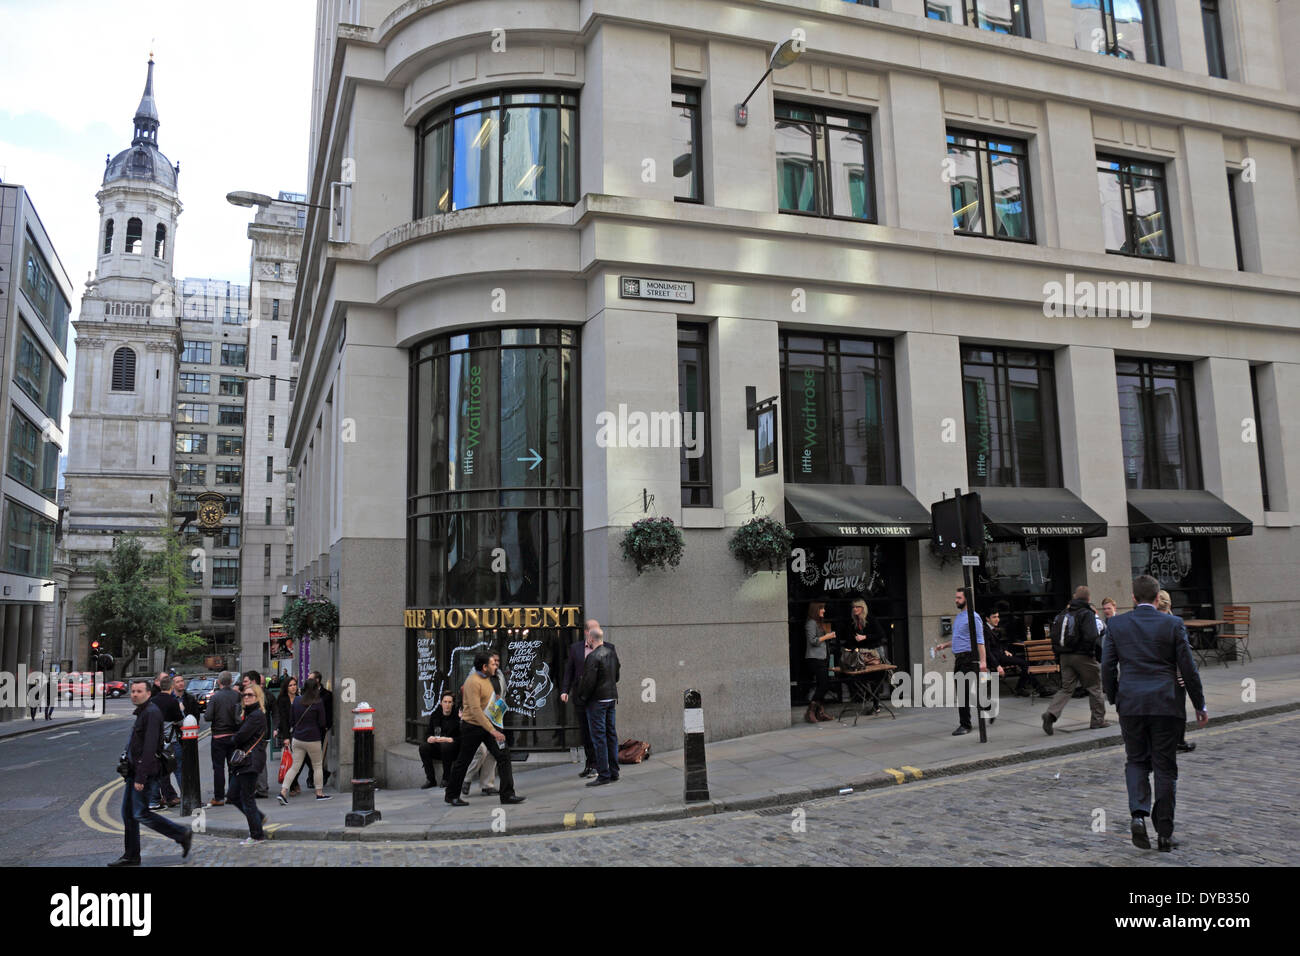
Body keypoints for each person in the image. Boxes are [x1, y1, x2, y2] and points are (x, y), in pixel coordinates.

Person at [1102, 574, 1208, 852]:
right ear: (1158, 597)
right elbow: (1188, 668)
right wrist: (1199, 704)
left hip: (1131, 704)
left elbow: (1107, 667)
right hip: (1166, 703)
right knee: (1165, 767)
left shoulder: (1116, 624)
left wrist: (1115, 697)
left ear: (1134, 598)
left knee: (1136, 761)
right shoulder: (1173, 623)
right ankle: (1164, 834)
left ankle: (1138, 814)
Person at [109, 678, 192, 866]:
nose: (135, 694)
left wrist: (141, 776)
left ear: (148, 693)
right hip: (134, 772)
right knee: (128, 814)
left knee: (140, 813)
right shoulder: (143, 712)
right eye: (133, 691)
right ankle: (131, 856)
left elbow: (149, 748)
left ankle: (181, 834)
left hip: (143, 773)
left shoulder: (152, 713)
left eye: (139, 691)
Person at [443, 652, 525, 807]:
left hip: (487, 726)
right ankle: (452, 795)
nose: (496, 666)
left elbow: (489, 702)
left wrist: (497, 714)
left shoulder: (488, 679)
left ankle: (507, 794)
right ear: (484, 667)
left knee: (503, 755)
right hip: (472, 727)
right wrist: (492, 730)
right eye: (492, 664)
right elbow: (475, 710)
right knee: (463, 761)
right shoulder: (472, 682)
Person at [1042, 586, 1109, 734]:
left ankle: (1051, 714)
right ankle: (1098, 721)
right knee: (1095, 687)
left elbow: (1053, 636)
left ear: (1074, 597)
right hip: (1083, 656)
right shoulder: (1087, 613)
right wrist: (1089, 652)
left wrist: (1058, 655)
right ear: (1088, 599)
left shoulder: (1063, 613)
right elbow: (1091, 636)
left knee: (1066, 689)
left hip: (1064, 657)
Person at [934, 587, 989, 735]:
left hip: (969, 658)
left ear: (967, 599)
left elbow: (980, 641)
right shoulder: (959, 617)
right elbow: (960, 638)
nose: (956, 600)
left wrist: (983, 661)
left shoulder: (973, 617)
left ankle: (965, 725)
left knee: (964, 693)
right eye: (956, 597)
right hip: (959, 659)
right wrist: (944, 645)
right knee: (966, 691)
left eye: (959, 598)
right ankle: (986, 705)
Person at [576, 625, 621, 786]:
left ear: (591, 639)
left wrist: (582, 697)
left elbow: (588, 682)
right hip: (610, 698)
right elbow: (617, 675)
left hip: (597, 701)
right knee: (611, 735)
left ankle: (603, 774)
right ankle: (614, 771)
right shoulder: (611, 653)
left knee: (599, 738)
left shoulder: (593, 657)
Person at [1155, 590, 1196, 754]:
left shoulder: (1149, 622)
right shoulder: (1175, 622)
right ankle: (1178, 740)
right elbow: (1183, 655)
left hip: (1155, 674)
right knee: (1178, 710)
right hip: (1174, 674)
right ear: (1169, 604)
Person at [278, 677, 331, 804]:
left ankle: (283, 792)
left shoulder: (296, 700)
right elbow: (322, 722)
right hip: (313, 738)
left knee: (294, 767)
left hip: (297, 738)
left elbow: (291, 720)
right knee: (317, 766)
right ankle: (319, 793)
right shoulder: (318, 702)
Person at [230, 683, 269, 845]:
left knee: (247, 799)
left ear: (258, 697)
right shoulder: (250, 713)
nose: (246, 697)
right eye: (244, 695)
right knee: (232, 795)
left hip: (250, 761)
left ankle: (257, 835)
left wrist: (232, 739)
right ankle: (258, 818)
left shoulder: (256, 716)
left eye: (250, 695)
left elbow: (240, 737)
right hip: (246, 761)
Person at [985, 604, 1052, 698]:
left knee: (1025, 663)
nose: (997, 619)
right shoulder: (985, 630)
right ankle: (1032, 688)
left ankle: (1033, 688)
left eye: (998, 617)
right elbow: (987, 651)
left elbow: (996, 644)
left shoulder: (991, 629)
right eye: (994, 617)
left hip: (1000, 655)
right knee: (1025, 663)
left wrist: (1004, 650)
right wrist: (997, 666)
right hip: (995, 659)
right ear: (987, 619)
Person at [459, 661, 506, 796]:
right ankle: (466, 779)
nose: (495, 665)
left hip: (493, 718)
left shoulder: (499, 676)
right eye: (492, 662)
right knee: (481, 751)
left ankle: (487, 785)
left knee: (493, 752)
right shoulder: (474, 680)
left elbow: (502, 694)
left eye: (497, 662)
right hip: (476, 723)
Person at [561, 619, 601, 777]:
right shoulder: (575, 648)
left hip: (599, 697)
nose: (596, 632)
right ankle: (590, 764)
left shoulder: (607, 648)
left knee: (598, 732)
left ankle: (600, 765)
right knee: (585, 732)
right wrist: (565, 690)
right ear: (586, 632)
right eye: (593, 629)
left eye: (598, 629)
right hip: (580, 697)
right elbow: (569, 671)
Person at [148, 675, 183, 809]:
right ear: (171, 687)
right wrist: (181, 711)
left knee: (159, 771)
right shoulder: (173, 702)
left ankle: (155, 800)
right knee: (179, 769)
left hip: (156, 743)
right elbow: (181, 722)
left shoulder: (152, 701)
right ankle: (187, 796)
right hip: (171, 741)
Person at [205, 671, 239, 807]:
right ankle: (232, 795)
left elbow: (207, 716)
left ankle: (219, 797)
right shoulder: (237, 696)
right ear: (231, 682)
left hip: (219, 736)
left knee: (218, 768)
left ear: (219, 682)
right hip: (234, 735)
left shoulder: (215, 697)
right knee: (233, 766)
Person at [419, 692, 461, 789]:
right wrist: (429, 738)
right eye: (445, 702)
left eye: (450, 702)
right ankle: (430, 779)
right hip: (438, 747)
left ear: (453, 704)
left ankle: (446, 778)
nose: (447, 704)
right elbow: (427, 733)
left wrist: (450, 739)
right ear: (441, 703)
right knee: (423, 747)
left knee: (445, 745)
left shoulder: (457, 716)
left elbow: (462, 737)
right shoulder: (435, 715)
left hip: (453, 749)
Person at [803, 602, 835, 723]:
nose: (824, 611)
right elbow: (812, 641)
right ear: (816, 610)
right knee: (824, 685)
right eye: (822, 609)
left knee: (824, 684)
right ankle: (811, 712)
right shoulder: (811, 623)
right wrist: (827, 636)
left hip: (822, 658)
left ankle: (819, 712)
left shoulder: (818, 623)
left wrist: (828, 635)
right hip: (814, 659)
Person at [304, 670, 333, 790]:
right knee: (305, 754)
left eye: (310, 678)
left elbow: (329, 712)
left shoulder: (326, 695)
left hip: (319, 729)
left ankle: (311, 779)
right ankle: (323, 773)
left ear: (317, 680)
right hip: (306, 728)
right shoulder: (305, 691)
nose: (308, 680)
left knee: (314, 755)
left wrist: (327, 726)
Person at [273, 676, 301, 795]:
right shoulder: (282, 700)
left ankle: (295, 784)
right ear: (286, 687)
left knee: (298, 760)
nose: (293, 687)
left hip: (299, 732)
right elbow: (283, 719)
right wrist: (285, 737)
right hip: (287, 732)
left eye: (294, 684)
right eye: (290, 685)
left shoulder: (299, 698)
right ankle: (293, 786)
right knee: (292, 760)